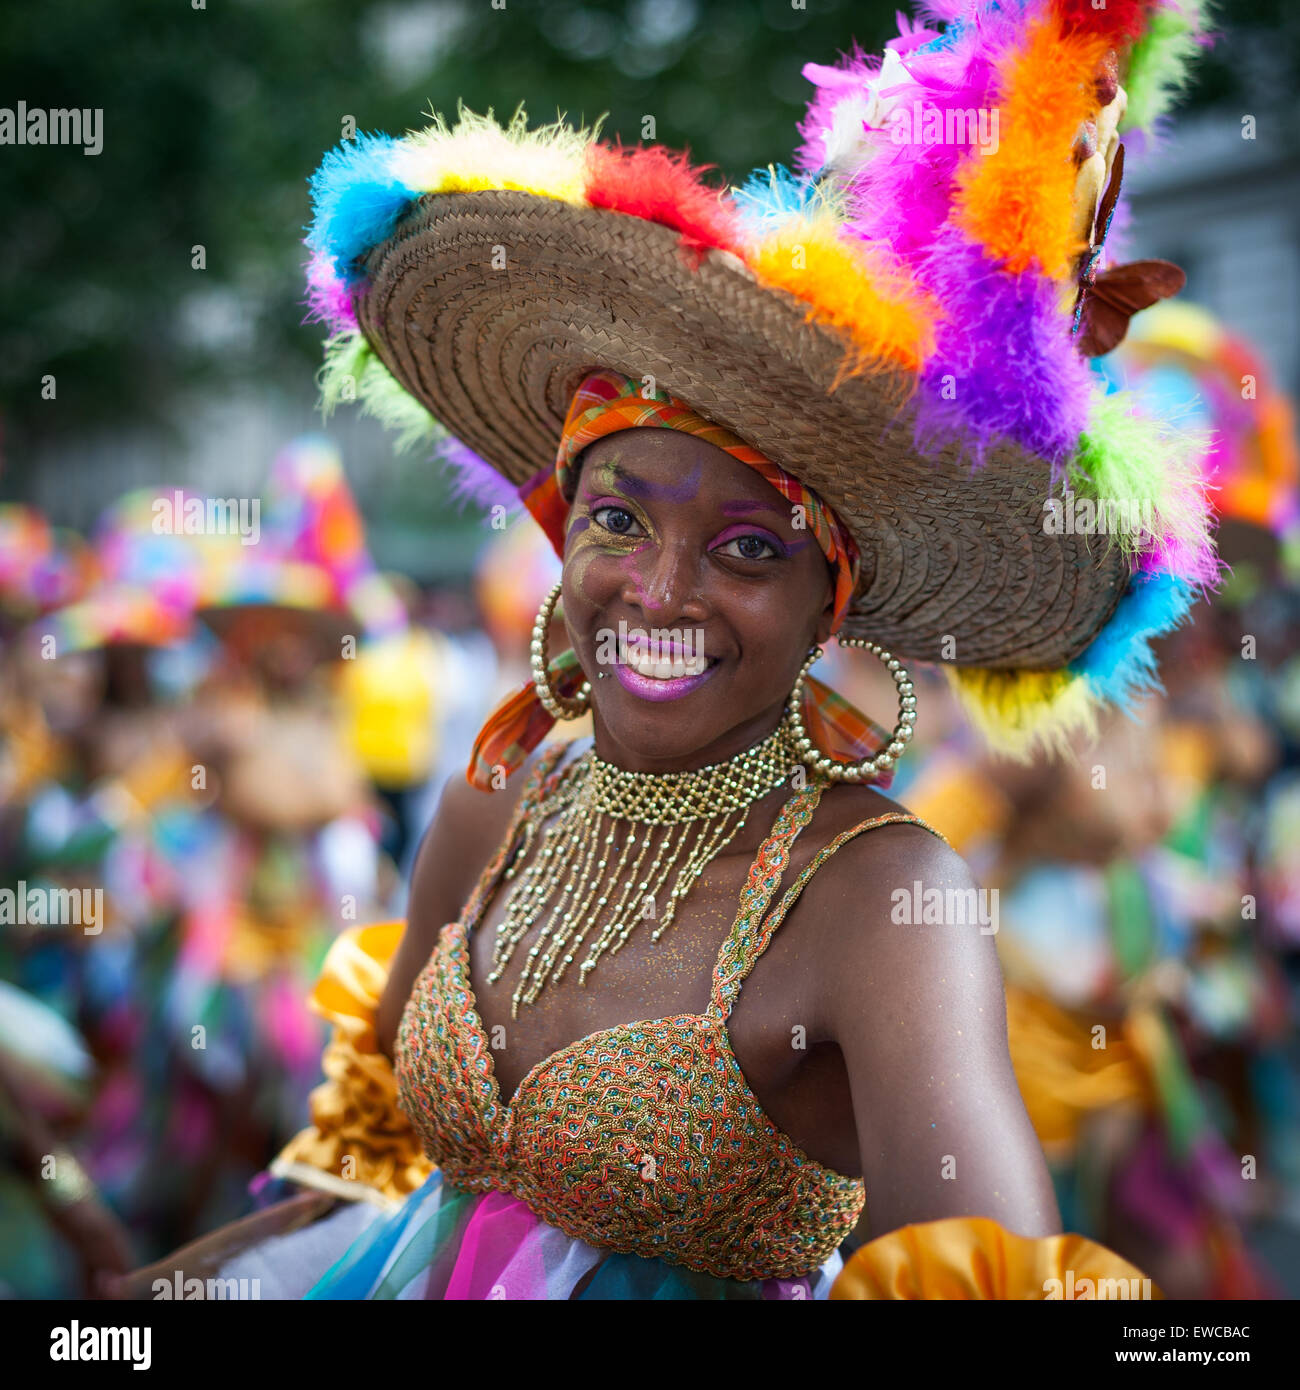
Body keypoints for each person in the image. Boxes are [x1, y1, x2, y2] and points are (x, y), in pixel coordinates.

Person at [123, 0, 1219, 1299]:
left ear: (832, 602)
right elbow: (371, 1167)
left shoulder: (874, 897)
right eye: (616, 518)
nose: (659, 590)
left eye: (750, 547)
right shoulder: (497, 797)